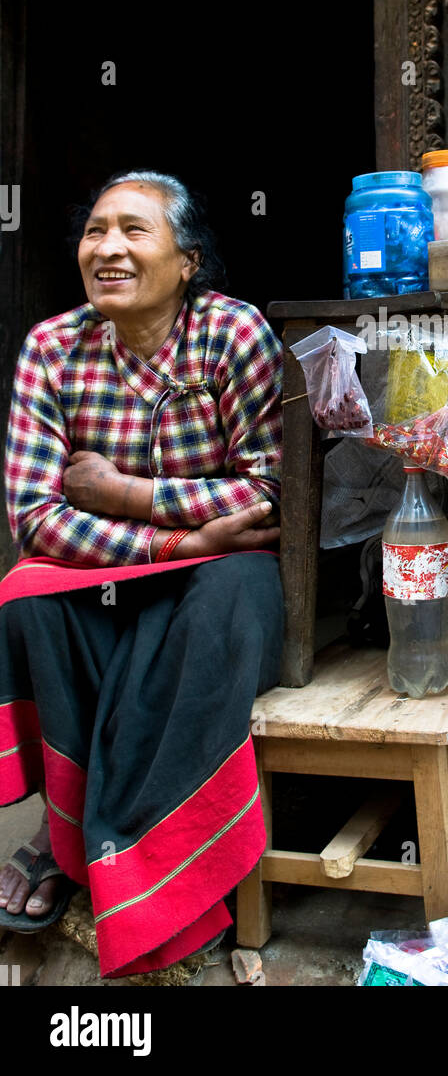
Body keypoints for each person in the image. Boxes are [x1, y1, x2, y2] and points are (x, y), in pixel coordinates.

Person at [0, 170, 283, 977]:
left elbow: (264, 493)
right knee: (23, 594)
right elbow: (38, 517)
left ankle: (136, 868)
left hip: (222, 575)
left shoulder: (234, 334)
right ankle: (79, 835)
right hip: (163, 560)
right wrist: (176, 542)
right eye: (95, 232)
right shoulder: (54, 347)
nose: (109, 248)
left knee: (219, 598)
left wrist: (127, 493)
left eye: (134, 230)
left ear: (188, 260)